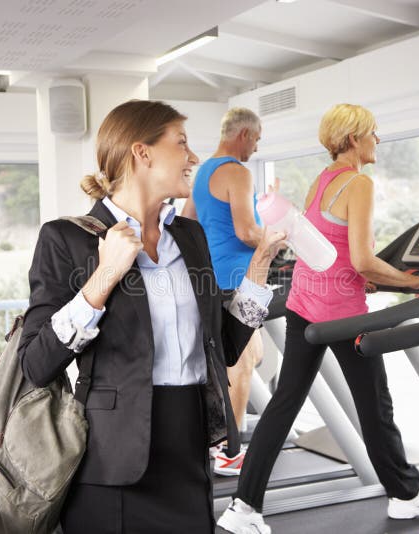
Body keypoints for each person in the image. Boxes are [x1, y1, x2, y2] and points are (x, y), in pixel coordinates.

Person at [17, 100, 286, 534]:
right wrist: (104, 277)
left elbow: (227, 347)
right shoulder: (67, 239)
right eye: (181, 143)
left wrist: (259, 266)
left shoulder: (189, 235)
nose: (194, 157)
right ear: (142, 153)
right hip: (111, 461)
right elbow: (36, 363)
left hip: (189, 448)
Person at [218, 103, 419, 534]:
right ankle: (406, 494)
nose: (377, 139)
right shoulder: (359, 183)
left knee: (285, 403)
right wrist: (412, 283)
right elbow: (361, 259)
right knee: (375, 406)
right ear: (353, 139)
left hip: (306, 308)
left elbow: (327, 250)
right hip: (342, 316)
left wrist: (374, 279)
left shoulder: (320, 183)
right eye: (373, 132)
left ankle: (243, 507)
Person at [181, 107, 265, 475]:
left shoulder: (204, 174)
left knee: (253, 356)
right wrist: (279, 239)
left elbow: (185, 221)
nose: (256, 149)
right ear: (244, 134)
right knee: (242, 365)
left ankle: (213, 435)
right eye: (257, 140)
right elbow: (248, 232)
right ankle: (230, 452)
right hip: (234, 281)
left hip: (214, 280)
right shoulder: (237, 171)